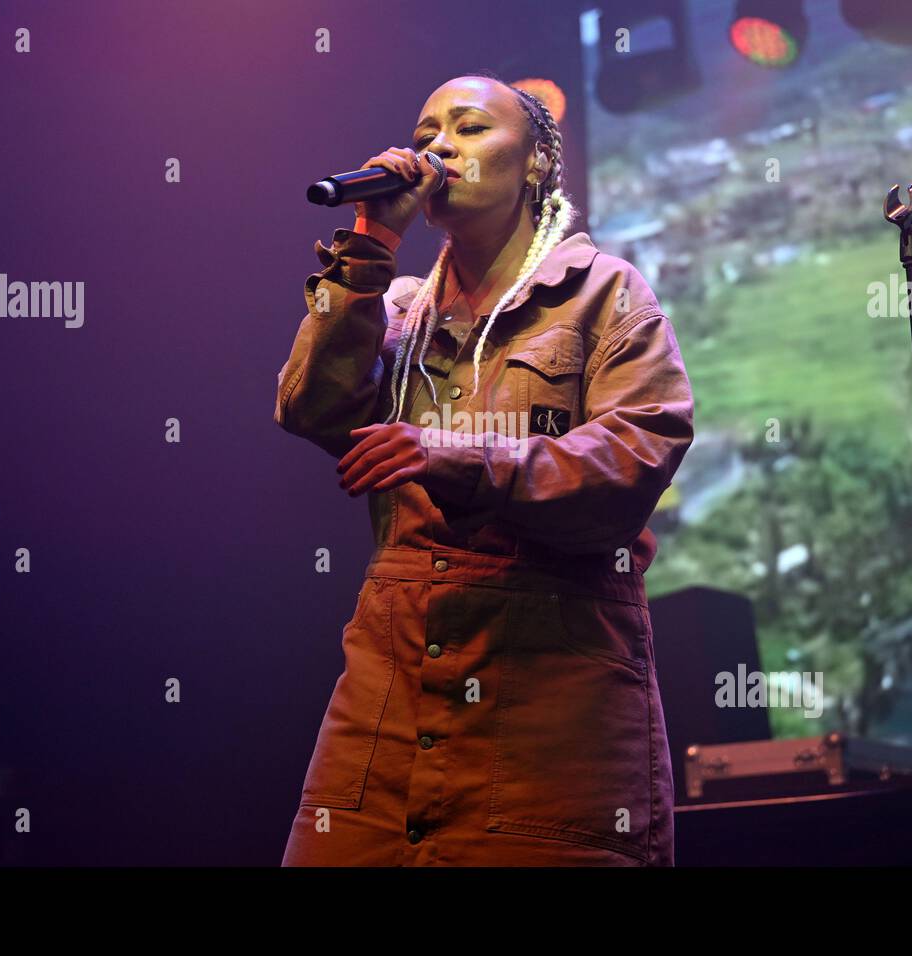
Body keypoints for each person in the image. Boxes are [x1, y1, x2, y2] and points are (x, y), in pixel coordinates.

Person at [274, 71, 695, 866]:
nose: (437, 145)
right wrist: (368, 242)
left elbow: (636, 456)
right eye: (427, 129)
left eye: (468, 128)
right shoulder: (395, 307)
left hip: (550, 692)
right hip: (389, 691)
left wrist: (455, 457)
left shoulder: (603, 294)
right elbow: (308, 406)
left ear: (535, 161)